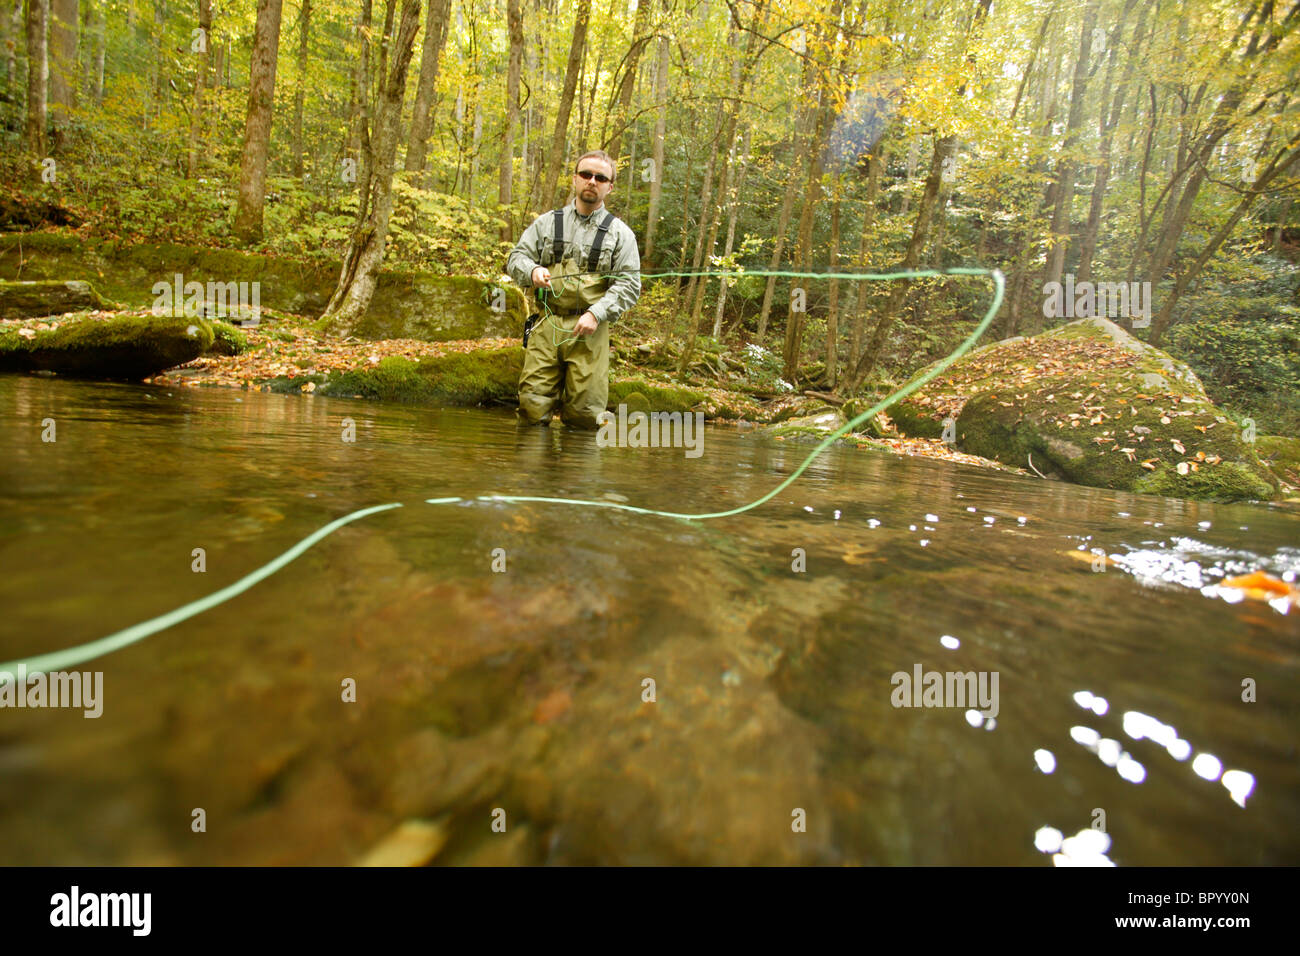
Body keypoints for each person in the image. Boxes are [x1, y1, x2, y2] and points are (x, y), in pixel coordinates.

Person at [506, 150, 641, 428]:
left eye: (600, 177)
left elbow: (629, 285)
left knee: (585, 415)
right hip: (546, 325)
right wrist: (532, 271)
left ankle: (576, 470)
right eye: (586, 174)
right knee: (531, 408)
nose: (592, 181)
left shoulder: (621, 234)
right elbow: (515, 259)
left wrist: (596, 313)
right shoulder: (545, 223)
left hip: (590, 331)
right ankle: (530, 472)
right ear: (575, 179)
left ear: (609, 187)